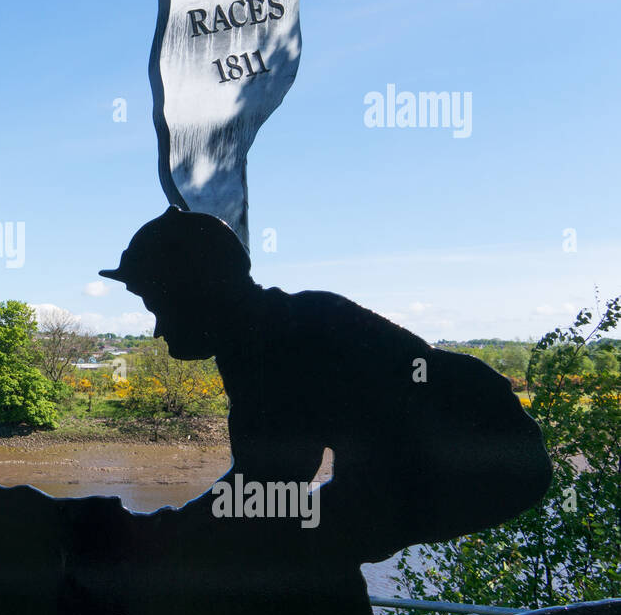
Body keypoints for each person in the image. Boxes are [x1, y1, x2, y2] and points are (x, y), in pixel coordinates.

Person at [100, 207, 552, 565]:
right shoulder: (272, 325)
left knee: (295, 545)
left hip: (483, 457)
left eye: (158, 305)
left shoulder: (271, 344)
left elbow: (271, 485)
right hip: (468, 453)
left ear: (199, 291)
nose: (158, 330)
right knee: (295, 540)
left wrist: (160, 533)